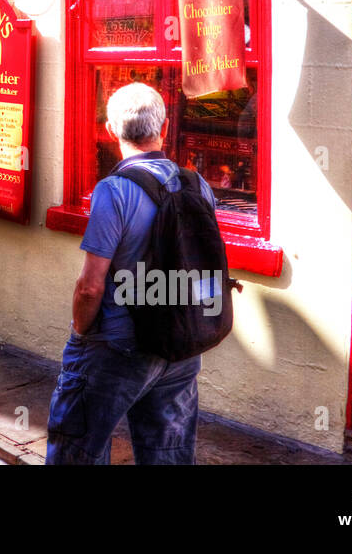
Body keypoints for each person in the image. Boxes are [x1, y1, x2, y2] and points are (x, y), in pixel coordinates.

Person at [45, 81, 216, 465]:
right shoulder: (199, 185)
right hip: (181, 345)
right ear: (165, 129)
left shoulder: (114, 190)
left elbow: (90, 287)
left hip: (119, 347)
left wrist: (79, 334)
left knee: (76, 449)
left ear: (110, 131)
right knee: (168, 456)